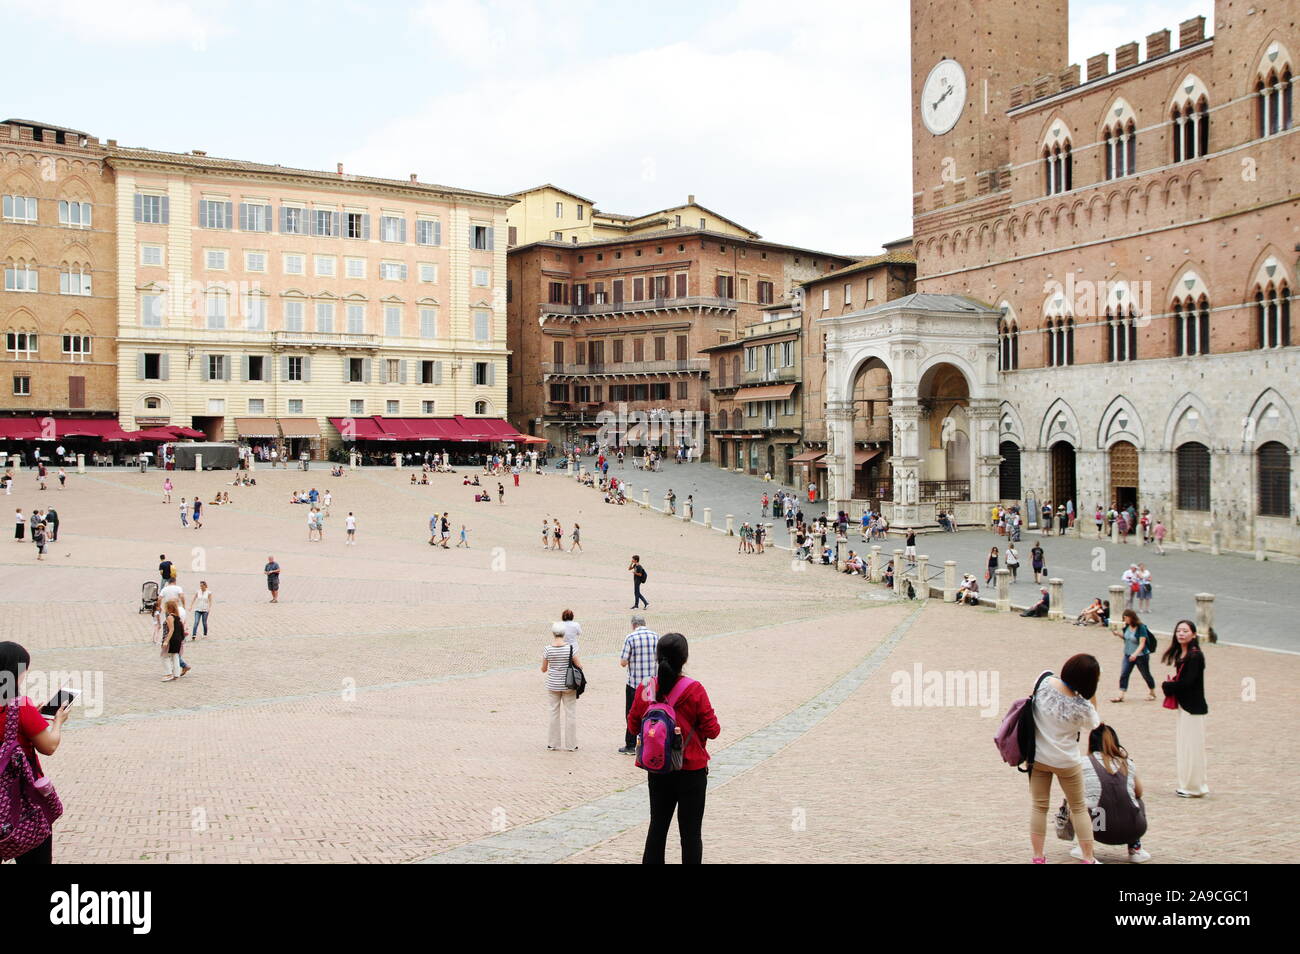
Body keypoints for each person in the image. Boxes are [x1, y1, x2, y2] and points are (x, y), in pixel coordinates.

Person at [626, 632, 720, 864]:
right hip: (691, 769)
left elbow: (632, 725)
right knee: (690, 834)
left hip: (658, 768)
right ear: (684, 659)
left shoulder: (647, 688)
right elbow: (713, 730)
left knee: (657, 828)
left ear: (657, 657)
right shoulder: (694, 689)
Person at [0, 640, 70, 863]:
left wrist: (32, 718)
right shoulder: (19, 706)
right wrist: (58, 721)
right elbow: (48, 746)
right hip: (22, 798)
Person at [1028, 654, 1102, 864]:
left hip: (1039, 756)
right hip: (1067, 761)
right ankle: (1088, 856)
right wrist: (1092, 693)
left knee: (1039, 806)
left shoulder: (1043, 681)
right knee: (1078, 807)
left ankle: (1038, 856)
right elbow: (1094, 724)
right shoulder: (1083, 706)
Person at [1069, 724, 1150, 863]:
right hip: (1133, 828)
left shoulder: (1083, 762)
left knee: (1075, 802)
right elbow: (1139, 792)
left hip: (1100, 830)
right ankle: (1135, 848)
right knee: (1137, 800)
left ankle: (1084, 846)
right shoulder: (1127, 763)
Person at [1162, 620, 1208, 797]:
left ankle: (1194, 786)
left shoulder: (1195, 656)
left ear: (1194, 634)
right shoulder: (1184, 654)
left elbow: (1188, 682)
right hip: (1186, 706)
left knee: (1192, 748)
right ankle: (1189, 784)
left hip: (1193, 707)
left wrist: (1168, 686)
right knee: (1185, 747)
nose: (1181, 634)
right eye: (1178, 631)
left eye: (1185, 631)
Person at [618, 614, 660, 755]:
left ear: (633, 625)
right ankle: (650, 740)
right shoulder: (656, 636)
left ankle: (631, 744)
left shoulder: (630, 637)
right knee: (651, 712)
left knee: (632, 713)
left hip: (635, 683)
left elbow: (623, 662)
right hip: (652, 684)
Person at [541, 624, 580, 751]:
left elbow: (543, 669)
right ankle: (571, 744)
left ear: (553, 633)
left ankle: (553, 743)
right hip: (568, 684)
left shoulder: (547, 649)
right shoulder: (570, 648)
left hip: (553, 684)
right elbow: (579, 664)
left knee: (553, 713)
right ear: (564, 634)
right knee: (570, 713)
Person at [1110, 609, 1155, 703]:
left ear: (1131, 617)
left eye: (1125, 618)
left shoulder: (1141, 627)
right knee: (1124, 673)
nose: (1124, 620)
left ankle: (1152, 692)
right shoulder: (1127, 626)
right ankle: (1121, 695)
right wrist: (1118, 634)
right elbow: (1127, 639)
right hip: (1128, 654)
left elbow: (1142, 643)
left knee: (1146, 674)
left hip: (1141, 656)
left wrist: (1135, 654)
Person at [160, 598, 187, 681]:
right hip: (178, 639)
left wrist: (166, 641)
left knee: (164, 656)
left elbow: (171, 629)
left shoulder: (170, 617)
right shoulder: (177, 617)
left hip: (172, 639)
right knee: (175, 656)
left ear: (169, 608)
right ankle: (176, 674)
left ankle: (169, 674)